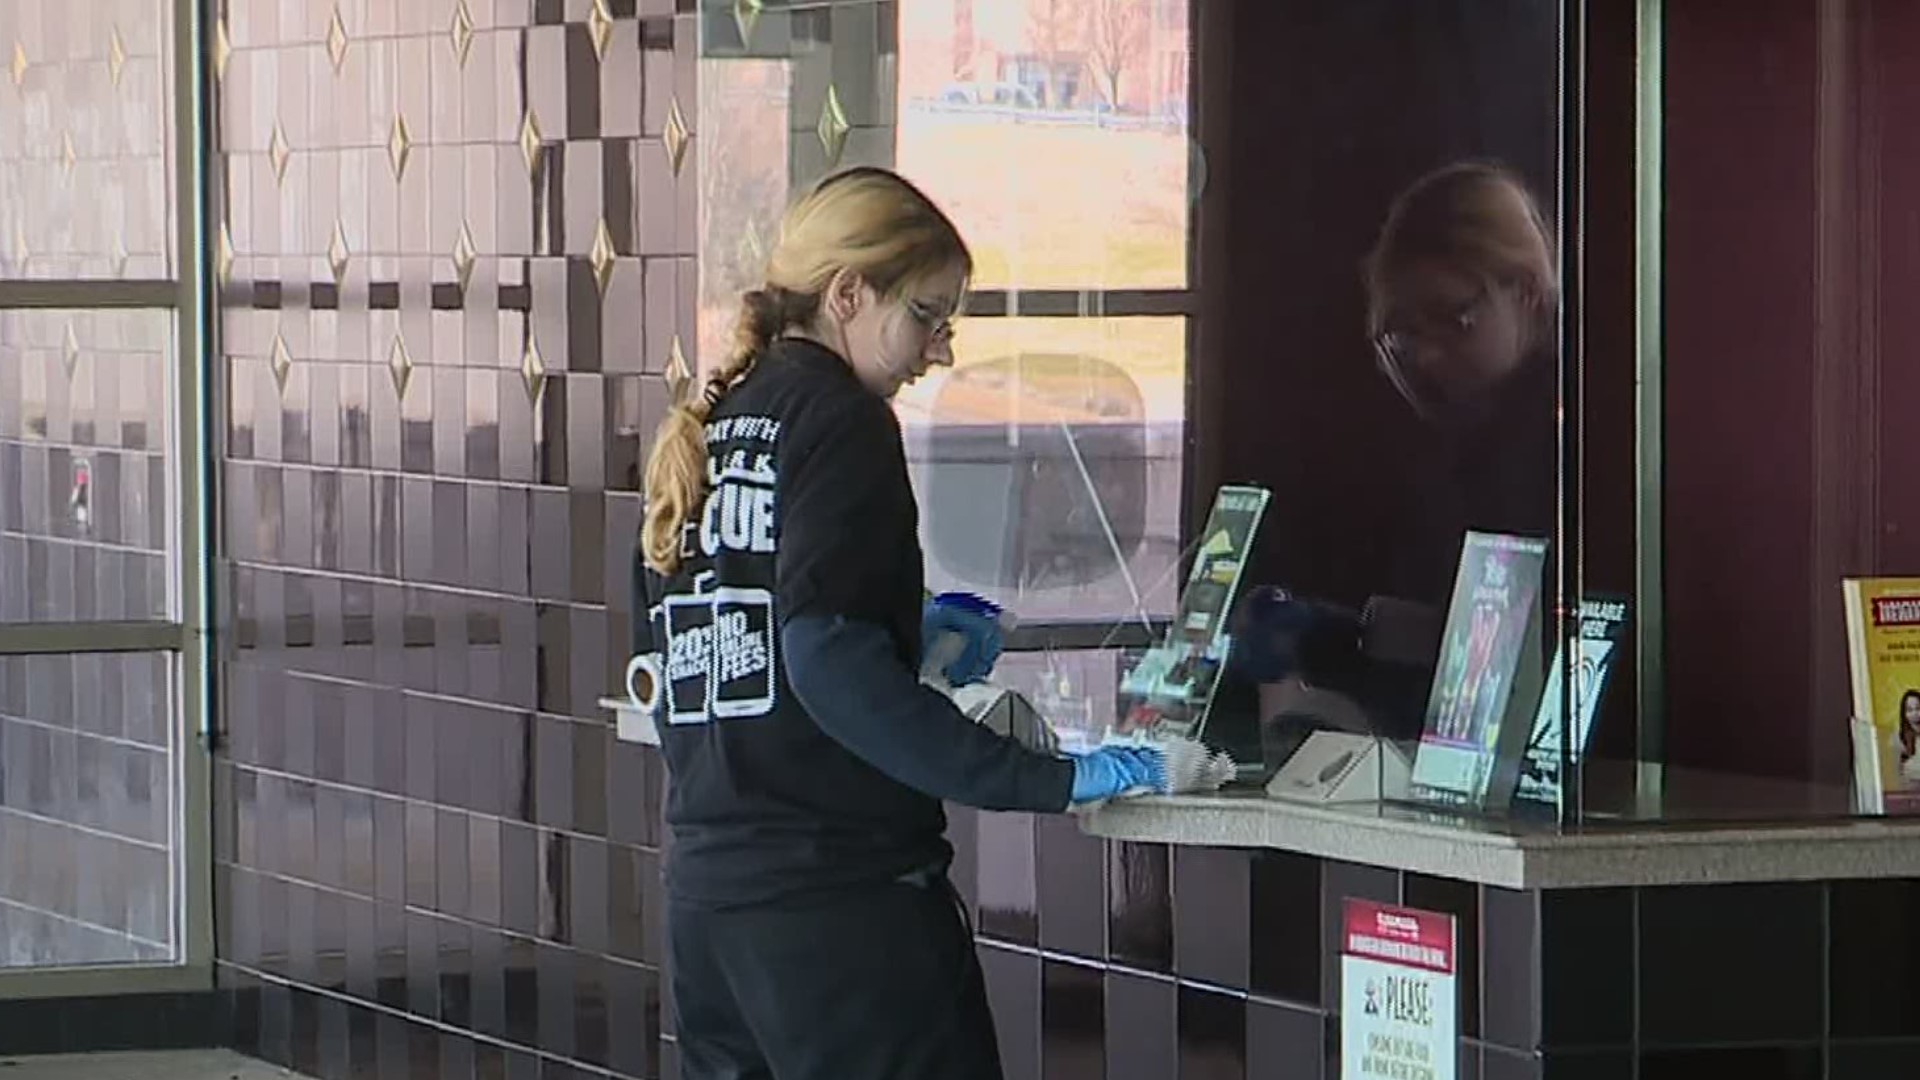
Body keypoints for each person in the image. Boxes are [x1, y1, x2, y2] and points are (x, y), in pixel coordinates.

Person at [631, 166, 1168, 1080]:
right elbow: (824, 659)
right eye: (926, 314)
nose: (943, 349)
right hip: (842, 923)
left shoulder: (709, 429)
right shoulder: (842, 420)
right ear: (848, 294)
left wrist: (903, 629)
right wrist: (1047, 778)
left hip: (711, 917)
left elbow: (701, 644)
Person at [1242, 161, 1560, 741]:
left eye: (1454, 319)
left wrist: (1347, 640)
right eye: (1403, 336)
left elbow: (1521, 651)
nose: (1429, 356)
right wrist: (1337, 636)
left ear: (1530, 294)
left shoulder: (1569, 451)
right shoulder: (1440, 441)